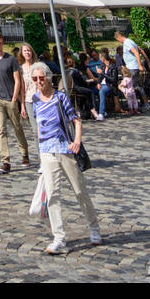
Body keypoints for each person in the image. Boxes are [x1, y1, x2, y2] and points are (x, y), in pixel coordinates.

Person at [30, 62, 101, 255]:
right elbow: (39, 127)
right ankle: (59, 238)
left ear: (48, 77)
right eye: (34, 79)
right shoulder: (35, 100)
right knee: (52, 195)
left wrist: (76, 141)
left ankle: (93, 227)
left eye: (41, 78)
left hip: (65, 149)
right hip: (47, 152)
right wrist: (40, 156)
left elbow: (75, 119)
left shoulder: (60, 97)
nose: (38, 82)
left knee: (79, 191)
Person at [0, 31, 30, 174]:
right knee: (1, 129)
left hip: (10, 97)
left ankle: (24, 153)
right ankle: (6, 161)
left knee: (17, 127)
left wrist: (14, 98)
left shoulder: (11, 59)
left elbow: (18, 80)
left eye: (0, 42)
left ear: (3, 43)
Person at [18, 42, 38, 150]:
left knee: (44, 128)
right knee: (35, 131)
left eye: (29, 50)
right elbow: (22, 89)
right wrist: (22, 106)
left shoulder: (38, 66)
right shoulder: (21, 69)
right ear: (22, 53)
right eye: (25, 50)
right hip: (29, 100)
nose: (27, 52)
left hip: (40, 99)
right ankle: (41, 158)